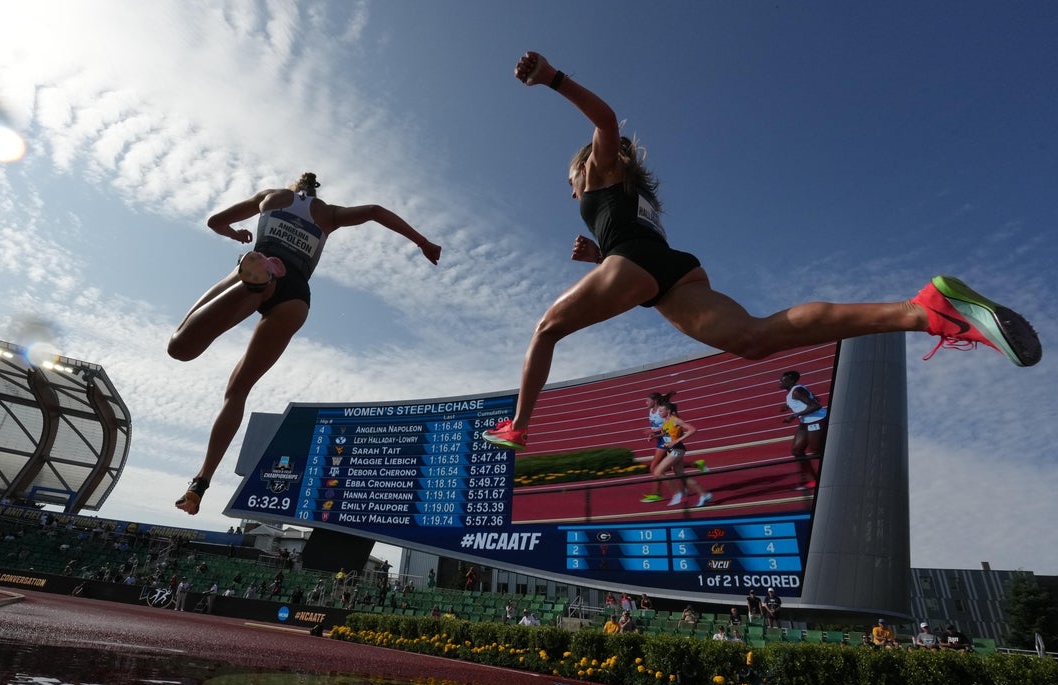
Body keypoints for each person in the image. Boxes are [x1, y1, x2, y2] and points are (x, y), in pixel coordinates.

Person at [481, 50, 1041, 453]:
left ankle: (518, 425)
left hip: (639, 264)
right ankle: (923, 311)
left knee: (545, 330)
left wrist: (552, 78)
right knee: (754, 338)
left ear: (585, 167)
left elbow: (605, 119)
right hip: (673, 272)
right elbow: (634, 242)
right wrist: (601, 257)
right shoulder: (629, 195)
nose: (571, 191)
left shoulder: (603, 166)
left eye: (570, 180)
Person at [171, 172, 442, 513]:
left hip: (263, 264)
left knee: (180, 347)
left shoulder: (269, 196)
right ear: (316, 191)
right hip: (296, 298)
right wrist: (422, 242)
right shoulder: (329, 214)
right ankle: (200, 483)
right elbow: (374, 210)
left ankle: (256, 279)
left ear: (294, 185)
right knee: (238, 391)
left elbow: (215, 221)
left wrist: (236, 234)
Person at [647, 399, 712, 508]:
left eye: (661, 411)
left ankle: (677, 493)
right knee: (681, 475)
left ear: (668, 411)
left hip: (677, 449)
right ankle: (704, 495)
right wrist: (655, 436)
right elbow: (665, 432)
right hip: (671, 450)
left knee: (658, 471)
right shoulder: (665, 420)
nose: (659, 413)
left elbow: (693, 429)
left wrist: (677, 440)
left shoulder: (676, 420)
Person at [779, 371, 829, 491]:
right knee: (797, 450)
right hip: (805, 422)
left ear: (791, 381)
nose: (780, 382)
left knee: (816, 452)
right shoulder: (794, 391)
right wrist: (788, 406)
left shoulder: (797, 391)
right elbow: (812, 398)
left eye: (783, 380)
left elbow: (815, 406)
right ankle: (812, 480)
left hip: (817, 420)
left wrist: (794, 415)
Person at [640, 391, 675, 502]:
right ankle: (695, 464)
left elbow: (668, 425)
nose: (646, 403)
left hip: (666, 438)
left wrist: (652, 431)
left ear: (655, 401)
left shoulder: (661, 410)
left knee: (654, 467)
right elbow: (654, 426)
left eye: (647, 401)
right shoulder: (651, 411)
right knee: (671, 466)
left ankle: (658, 494)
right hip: (659, 438)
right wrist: (652, 434)